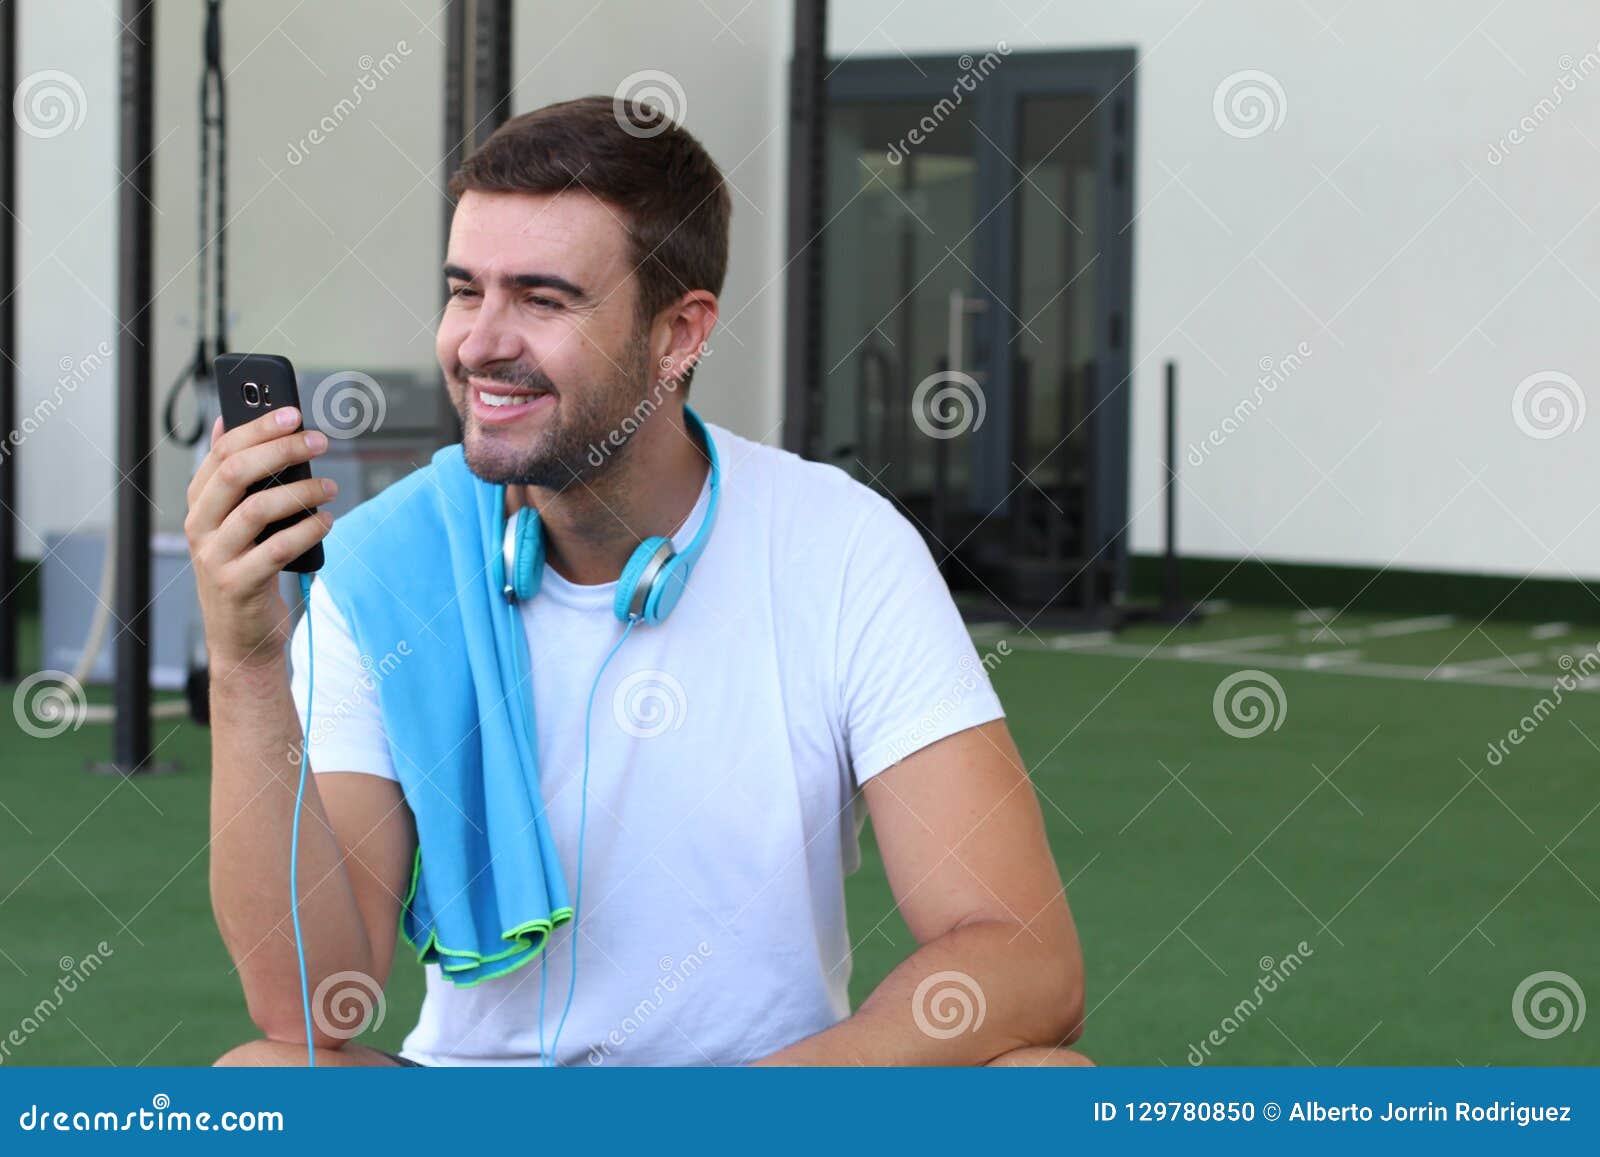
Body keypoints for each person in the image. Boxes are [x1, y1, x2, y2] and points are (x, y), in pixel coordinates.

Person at [186, 95, 1088, 1067]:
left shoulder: (845, 549)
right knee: (262, 1079)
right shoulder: (386, 566)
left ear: (679, 334)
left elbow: (1025, 957)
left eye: (542, 299)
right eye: (465, 290)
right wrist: (247, 663)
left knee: (1045, 1083)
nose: (479, 342)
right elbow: (310, 1004)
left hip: (764, 1107)